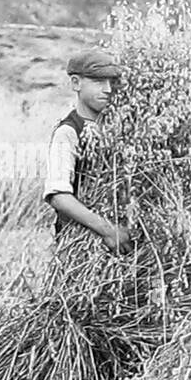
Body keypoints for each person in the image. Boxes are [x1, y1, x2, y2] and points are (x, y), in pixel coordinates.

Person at [43, 48, 133, 254]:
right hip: (83, 245)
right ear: (76, 83)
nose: (108, 89)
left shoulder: (122, 127)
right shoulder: (68, 132)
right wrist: (108, 230)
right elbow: (58, 195)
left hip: (125, 240)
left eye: (113, 82)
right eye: (98, 82)